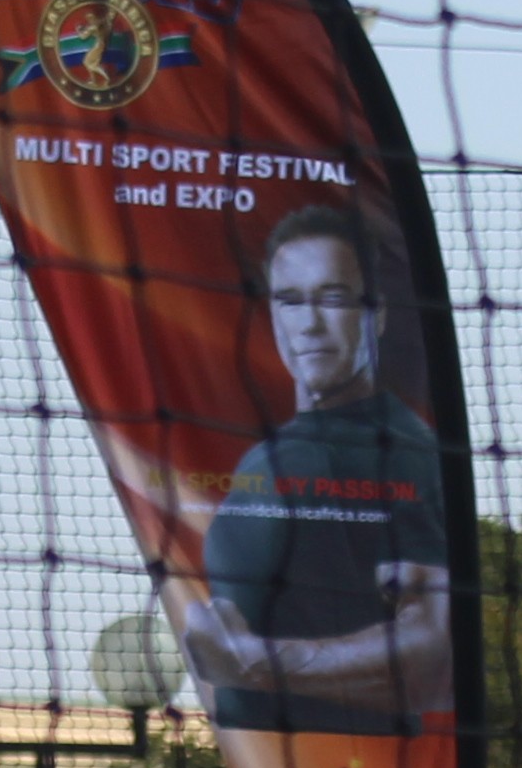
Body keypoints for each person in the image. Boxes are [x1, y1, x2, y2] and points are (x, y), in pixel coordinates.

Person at [171, 206, 450, 732]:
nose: (310, 324)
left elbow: (436, 646)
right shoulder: (275, 453)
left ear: (376, 314)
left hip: (358, 762)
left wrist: (257, 663)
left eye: (333, 298)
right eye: (291, 300)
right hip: (255, 761)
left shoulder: (401, 452)